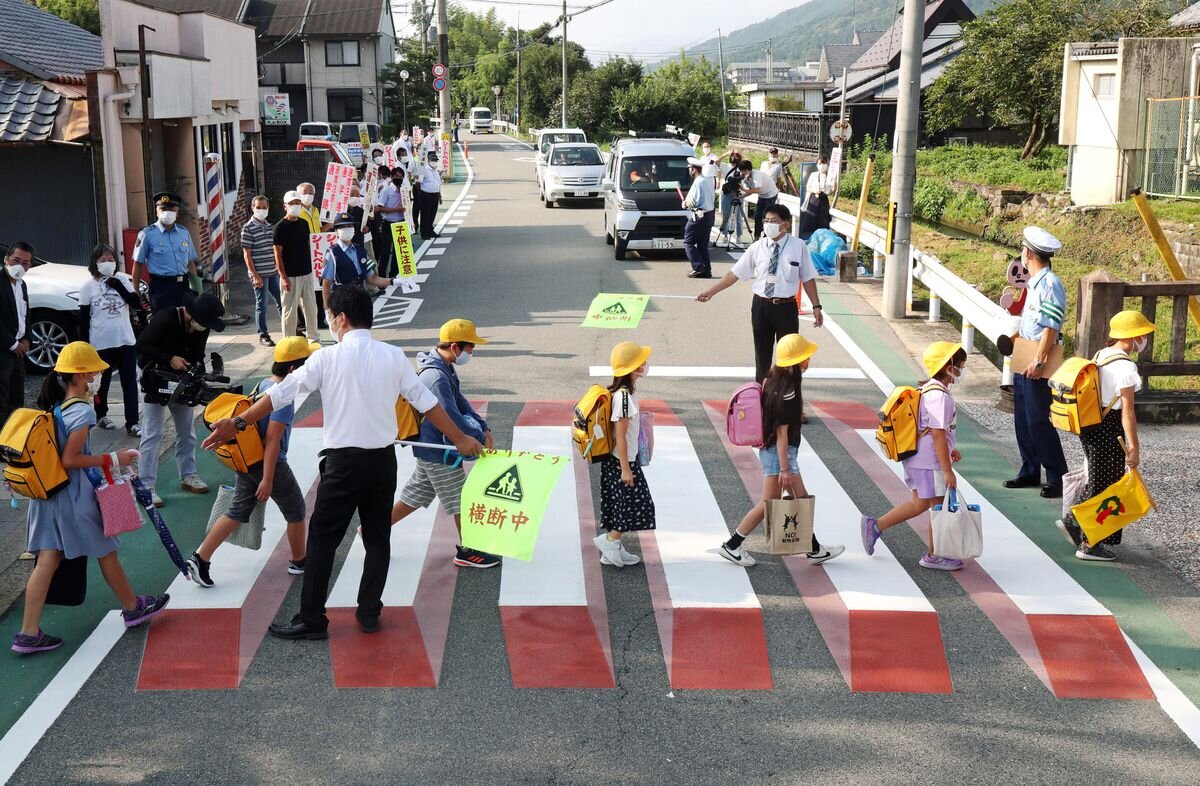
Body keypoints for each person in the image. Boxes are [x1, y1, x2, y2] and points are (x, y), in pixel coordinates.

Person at [202, 287, 483, 639]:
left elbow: (280, 393)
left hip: (342, 464)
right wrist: (460, 438)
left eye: (331, 316)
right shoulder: (393, 356)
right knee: (378, 538)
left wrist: (239, 421)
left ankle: (313, 619)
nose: (331, 322)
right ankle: (369, 613)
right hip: (382, 462)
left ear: (342, 318)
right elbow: (427, 403)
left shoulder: (326, 359)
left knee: (323, 540)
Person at [11, 342, 169, 654]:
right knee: (106, 550)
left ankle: (28, 633)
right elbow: (71, 459)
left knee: (47, 560)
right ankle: (133, 606)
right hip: (73, 497)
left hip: (48, 496)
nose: (99, 374)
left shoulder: (58, 405)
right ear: (83, 376)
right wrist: (114, 457)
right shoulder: (82, 411)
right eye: (95, 371)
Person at [186, 337, 317, 587]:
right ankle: (300, 560)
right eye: (306, 364)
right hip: (268, 464)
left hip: (246, 460)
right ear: (293, 369)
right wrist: (268, 479)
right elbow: (272, 440)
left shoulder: (264, 384)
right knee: (296, 510)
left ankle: (200, 558)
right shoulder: (283, 399)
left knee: (237, 510)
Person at [719, 334, 844, 567]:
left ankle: (814, 549)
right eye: (807, 356)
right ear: (798, 360)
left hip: (777, 452)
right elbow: (782, 433)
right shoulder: (788, 390)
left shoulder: (774, 379)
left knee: (800, 498)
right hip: (780, 454)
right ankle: (732, 545)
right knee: (769, 502)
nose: (810, 359)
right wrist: (785, 468)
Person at [390, 319, 498, 569]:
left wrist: (483, 428)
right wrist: (477, 437)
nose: (471, 353)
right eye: (470, 348)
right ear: (455, 347)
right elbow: (451, 415)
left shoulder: (443, 367)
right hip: (438, 448)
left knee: (415, 495)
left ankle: (373, 530)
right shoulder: (436, 376)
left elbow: (460, 401)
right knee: (462, 497)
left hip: (431, 446)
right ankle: (468, 550)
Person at [1057, 311, 1156, 562]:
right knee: (1106, 487)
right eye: (1143, 335)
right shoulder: (1125, 367)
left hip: (1090, 423)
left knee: (1097, 478)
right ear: (1133, 337)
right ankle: (1091, 545)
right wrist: (1134, 447)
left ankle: (1073, 521)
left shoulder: (1102, 355)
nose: (1145, 339)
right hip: (1110, 427)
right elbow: (1128, 412)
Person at [861, 341, 968, 571]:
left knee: (919, 503)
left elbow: (934, 430)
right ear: (948, 366)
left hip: (919, 458)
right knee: (938, 505)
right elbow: (938, 434)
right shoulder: (939, 396)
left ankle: (876, 525)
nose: (962, 370)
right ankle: (934, 554)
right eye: (960, 365)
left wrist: (951, 450)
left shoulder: (929, 389)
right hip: (929, 461)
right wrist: (947, 469)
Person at [697, 204, 825, 383]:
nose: (768, 225)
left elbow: (808, 278)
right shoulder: (757, 247)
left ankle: (789, 401)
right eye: (766, 221)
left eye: (773, 221)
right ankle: (762, 400)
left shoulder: (798, 246)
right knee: (762, 357)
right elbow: (734, 274)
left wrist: (816, 306)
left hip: (786, 308)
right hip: (761, 307)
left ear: (785, 224)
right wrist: (711, 292)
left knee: (790, 358)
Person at [136, 293, 225, 506]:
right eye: (203, 323)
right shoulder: (166, 317)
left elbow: (198, 355)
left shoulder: (201, 326)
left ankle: (188, 475)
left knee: (187, 432)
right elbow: (141, 346)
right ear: (192, 314)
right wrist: (170, 358)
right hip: (155, 378)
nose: (204, 328)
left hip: (183, 380)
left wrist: (198, 374)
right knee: (152, 432)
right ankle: (146, 485)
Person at [1005, 226, 1068, 499]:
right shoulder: (1034, 283)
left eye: (1023, 249)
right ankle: (1030, 469)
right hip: (1025, 351)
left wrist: (1040, 360)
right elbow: (1033, 322)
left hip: (1037, 358)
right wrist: (1016, 336)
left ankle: (1056, 476)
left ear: (1028, 252)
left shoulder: (1050, 284)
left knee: (1038, 419)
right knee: (1022, 418)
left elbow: (1051, 327)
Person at [592, 342, 655, 568]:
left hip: (619, 460)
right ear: (634, 368)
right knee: (635, 506)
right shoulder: (624, 398)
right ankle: (609, 541)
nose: (646, 365)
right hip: (622, 461)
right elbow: (620, 434)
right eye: (642, 362)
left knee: (620, 505)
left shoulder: (621, 393)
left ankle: (613, 549)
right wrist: (627, 468)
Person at [79, 244, 142, 438]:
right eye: (102, 260)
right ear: (94, 263)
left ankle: (132, 422)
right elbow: (83, 319)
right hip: (101, 343)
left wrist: (118, 286)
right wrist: (85, 347)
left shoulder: (122, 279)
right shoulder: (88, 287)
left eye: (110, 259)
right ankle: (101, 414)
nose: (107, 263)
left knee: (129, 382)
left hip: (125, 340)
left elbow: (136, 303)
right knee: (101, 383)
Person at [131, 192, 199, 313]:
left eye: (171, 208)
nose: (166, 212)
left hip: (183, 286)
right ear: (156, 211)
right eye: (162, 208)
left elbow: (190, 263)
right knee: (164, 325)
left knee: (186, 325)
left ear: (177, 212)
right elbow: (138, 263)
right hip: (161, 288)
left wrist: (197, 289)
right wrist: (135, 289)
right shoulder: (147, 234)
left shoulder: (184, 233)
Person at [273, 190, 319, 342]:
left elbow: (307, 247)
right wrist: (283, 277)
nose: (295, 206)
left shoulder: (304, 224)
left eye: (297, 203)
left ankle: (313, 337)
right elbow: (278, 255)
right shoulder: (279, 228)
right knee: (289, 310)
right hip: (290, 276)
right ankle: (289, 340)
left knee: (311, 308)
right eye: (291, 204)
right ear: (285, 206)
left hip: (306, 273)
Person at [321, 212, 398, 302]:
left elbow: (372, 278)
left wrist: (394, 281)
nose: (347, 229)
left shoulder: (360, 251)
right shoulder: (332, 253)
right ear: (336, 231)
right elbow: (326, 286)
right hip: (341, 301)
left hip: (360, 300)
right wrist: (328, 311)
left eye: (350, 226)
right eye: (342, 227)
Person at [241, 195, 282, 348]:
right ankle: (263, 334)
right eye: (258, 207)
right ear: (252, 208)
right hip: (259, 274)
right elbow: (247, 254)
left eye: (264, 207)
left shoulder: (268, 226)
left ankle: (289, 328)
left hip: (272, 272)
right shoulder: (248, 228)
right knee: (262, 305)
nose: (262, 210)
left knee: (281, 301)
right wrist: (255, 275)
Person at [0, 241, 32, 427]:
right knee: (1, 399)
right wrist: (13, 344)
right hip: (4, 349)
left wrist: (27, 338)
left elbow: (26, 314)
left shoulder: (22, 285)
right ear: (6, 260)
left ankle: (14, 438)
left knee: (17, 397)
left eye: (25, 263)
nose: (20, 266)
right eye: (16, 260)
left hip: (19, 349)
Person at [682, 157, 717, 279]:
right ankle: (706, 270)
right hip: (709, 215)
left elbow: (694, 202)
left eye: (690, 169)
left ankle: (698, 267)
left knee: (688, 242)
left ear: (693, 170)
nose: (689, 171)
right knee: (702, 244)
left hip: (699, 216)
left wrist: (685, 204)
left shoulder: (698, 182)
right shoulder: (707, 180)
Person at [375, 168, 407, 278]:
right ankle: (382, 276)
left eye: (401, 176)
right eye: (397, 176)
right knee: (385, 252)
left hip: (401, 222)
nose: (399, 179)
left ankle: (395, 274)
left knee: (400, 251)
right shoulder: (386, 190)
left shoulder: (404, 190)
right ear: (392, 177)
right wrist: (396, 210)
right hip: (388, 223)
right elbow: (379, 208)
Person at [739, 159, 781, 241]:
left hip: (771, 195)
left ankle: (767, 238)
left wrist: (744, 189)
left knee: (767, 217)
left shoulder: (756, 175)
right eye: (741, 171)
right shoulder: (746, 178)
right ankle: (756, 238)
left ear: (750, 169)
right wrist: (741, 197)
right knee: (757, 216)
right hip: (762, 195)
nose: (743, 173)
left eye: (744, 170)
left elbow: (757, 190)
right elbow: (751, 190)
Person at [797, 155, 834, 238]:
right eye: (820, 163)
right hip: (814, 199)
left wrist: (834, 181)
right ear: (817, 164)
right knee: (811, 221)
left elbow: (832, 190)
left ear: (827, 164)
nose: (821, 165)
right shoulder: (813, 174)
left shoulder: (829, 176)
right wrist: (815, 190)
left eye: (823, 163)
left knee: (823, 222)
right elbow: (808, 187)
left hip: (823, 200)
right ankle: (809, 239)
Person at [716, 152, 747, 249]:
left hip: (737, 193)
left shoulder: (741, 168)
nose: (734, 158)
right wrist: (727, 153)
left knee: (738, 217)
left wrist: (742, 156)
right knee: (726, 215)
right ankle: (725, 235)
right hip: (727, 193)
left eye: (736, 156)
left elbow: (749, 164)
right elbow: (717, 161)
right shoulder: (726, 166)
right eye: (732, 156)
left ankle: (738, 236)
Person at [417, 152, 444, 240]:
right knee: (425, 214)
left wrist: (439, 196)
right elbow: (418, 182)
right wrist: (420, 193)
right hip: (426, 195)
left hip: (434, 195)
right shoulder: (424, 169)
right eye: (432, 160)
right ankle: (424, 232)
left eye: (435, 160)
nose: (434, 162)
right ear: (429, 161)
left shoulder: (436, 171)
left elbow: (438, 184)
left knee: (432, 214)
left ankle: (430, 230)